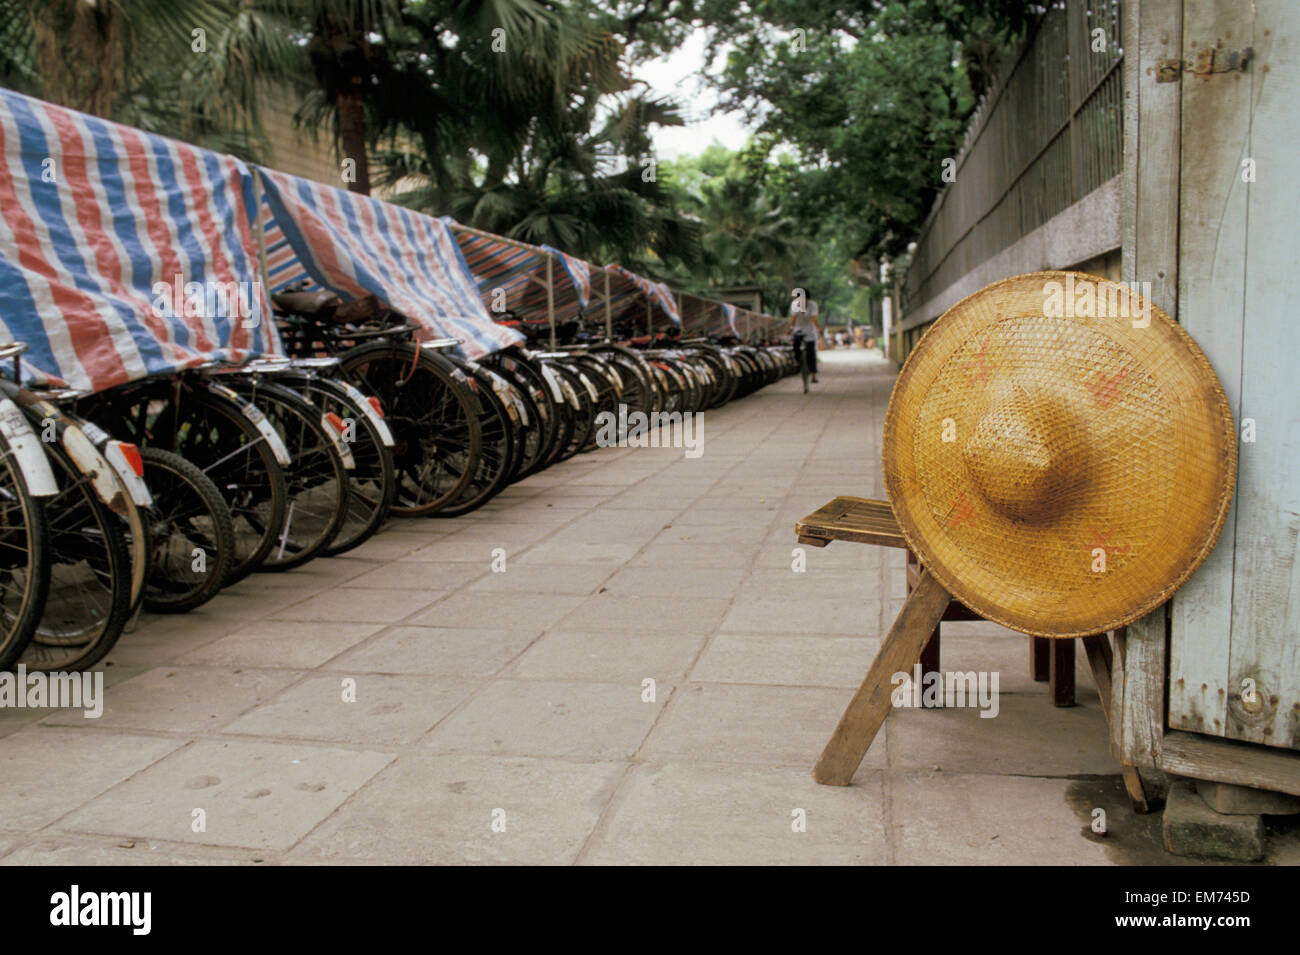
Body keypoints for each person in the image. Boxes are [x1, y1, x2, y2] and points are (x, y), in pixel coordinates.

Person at [789, 298, 821, 384]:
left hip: (810, 331)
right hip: (798, 330)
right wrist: (790, 328)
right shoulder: (795, 304)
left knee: (811, 353)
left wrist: (818, 328)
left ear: (808, 299)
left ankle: (814, 375)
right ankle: (797, 360)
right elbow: (793, 318)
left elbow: (814, 318)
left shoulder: (812, 304)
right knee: (796, 343)